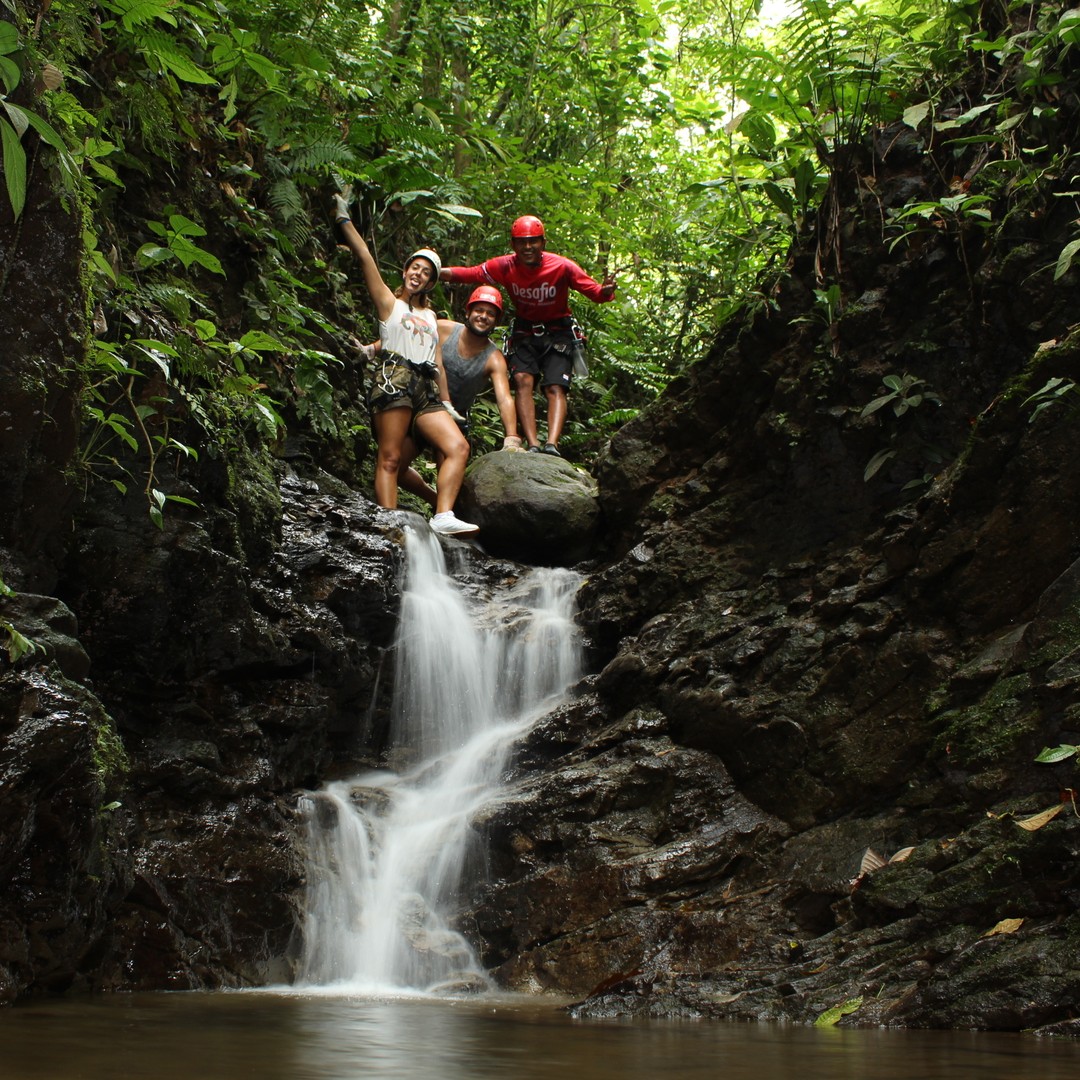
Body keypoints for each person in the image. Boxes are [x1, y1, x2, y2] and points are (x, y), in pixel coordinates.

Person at [332, 193, 479, 536]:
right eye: (415, 267)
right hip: (393, 380)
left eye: (426, 273)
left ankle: (442, 514)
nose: (419, 274)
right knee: (391, 459)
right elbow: (365, 256)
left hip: (424, 388)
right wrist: (344, 220)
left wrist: (446, 403)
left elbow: (437, 359)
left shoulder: (430, 315)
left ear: (430, 282)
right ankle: (390, 527)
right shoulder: (389, 302)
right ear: (406, 270)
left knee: (458, 446)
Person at [440, 215, 616, 456]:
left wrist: (605, 292)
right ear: (513, 245)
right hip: (526, 330)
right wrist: (437, 271)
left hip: (558, 331)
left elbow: (594, 292)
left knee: (556, 386)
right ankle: (532, 444)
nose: (527, 247)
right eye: (521, 242)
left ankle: (552, 444)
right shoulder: (505, 266)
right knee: (523, 380)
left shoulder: (562, 266)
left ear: (543, 243)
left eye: (533, 241)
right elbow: (472, 274)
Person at [366, 286, 523, 507]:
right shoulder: (444, 329)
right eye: (479, 310)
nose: (483, 317)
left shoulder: (494, 358)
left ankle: (444, 516)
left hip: (453, 419)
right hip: (421, 406)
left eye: (490, 314)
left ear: (496, 321)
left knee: (450, 474)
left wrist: (511, 437)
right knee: (395, 466)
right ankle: (431, 499)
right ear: (468, 312)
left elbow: (504, 398)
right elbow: (409, 336)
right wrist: (372, 349)